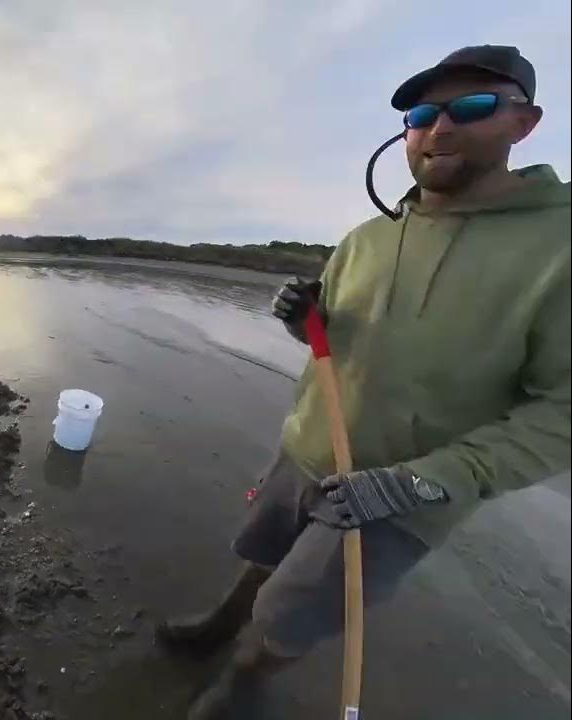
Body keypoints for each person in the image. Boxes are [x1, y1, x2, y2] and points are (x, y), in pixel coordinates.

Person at [155, 45, 570, 718]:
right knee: (264, 552)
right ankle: (221, 627)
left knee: (295, 610)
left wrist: (422, 482)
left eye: (472, 107)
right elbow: (341, 338)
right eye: (421, 115)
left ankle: (245, 680)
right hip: (304, 450)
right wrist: (309, 324)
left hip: (402, 497)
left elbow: (562, 412)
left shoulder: (561, 245)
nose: (440, 128)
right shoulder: (366, 238)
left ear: (524, 123)